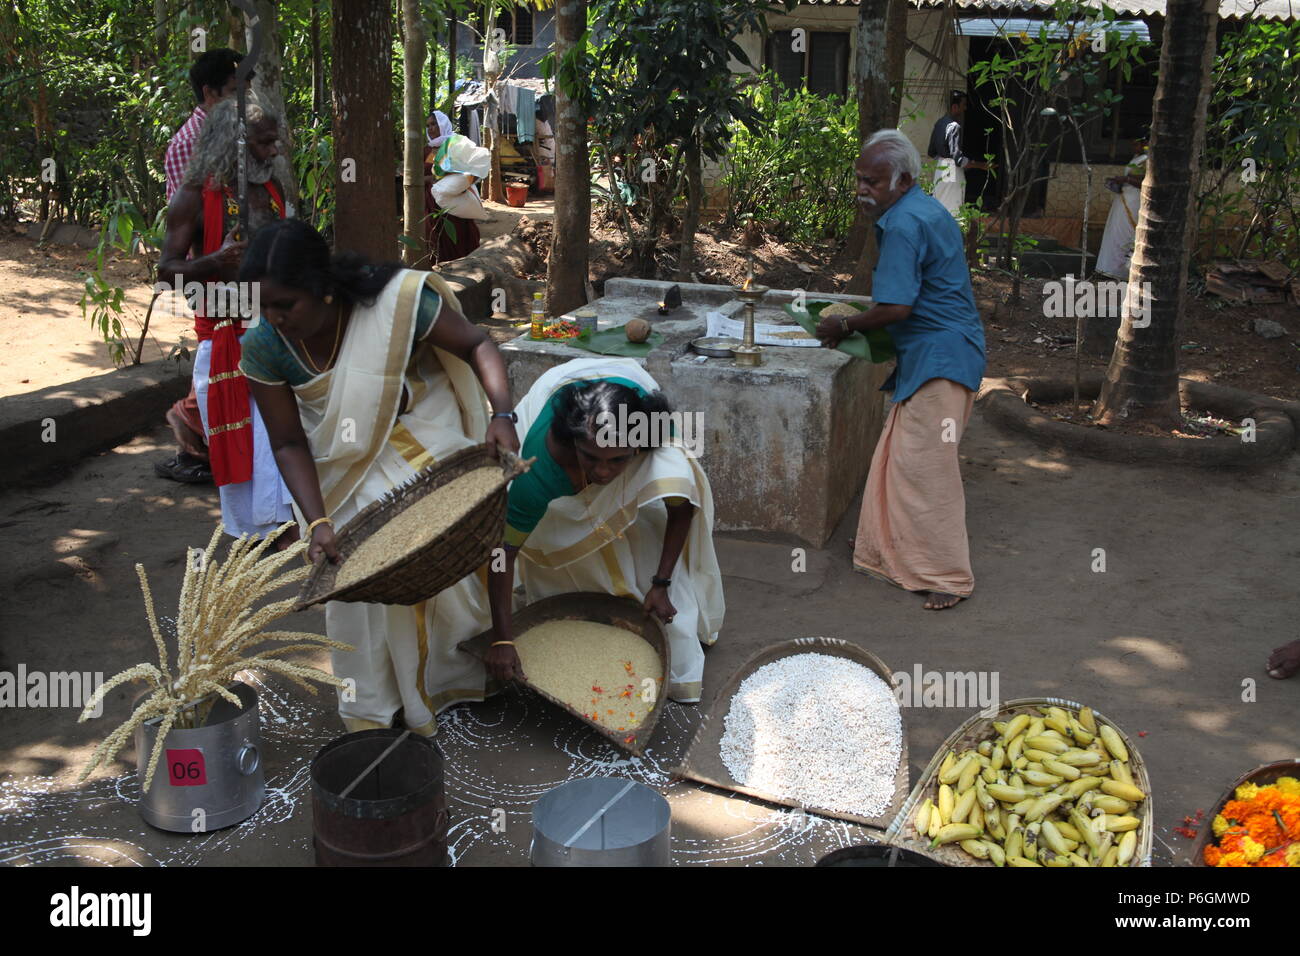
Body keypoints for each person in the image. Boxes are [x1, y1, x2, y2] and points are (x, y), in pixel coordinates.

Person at [238, 219, 520, 735]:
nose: (273, 319)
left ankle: (450, 680)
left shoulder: (393, 304)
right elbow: (287, 442)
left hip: (422, 438)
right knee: (358, 576)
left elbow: (478, 344)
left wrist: (502, 414)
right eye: (265, 307)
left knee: (444, 555)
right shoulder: (264, 346)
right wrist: (317, 519)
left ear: (323, 289)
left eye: (286, 305)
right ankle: (378, 702)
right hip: (339, 471)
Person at [482, 358, 724, 703]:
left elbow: (681, 507)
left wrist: (661, 583)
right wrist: (502, 639)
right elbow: (501, 554)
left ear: (638, 447)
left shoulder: (653, 430)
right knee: (560, 547)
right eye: (591, 458)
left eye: (617, 460)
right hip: (564, 402)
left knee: (648, 525)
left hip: (627, 394)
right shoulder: (536, 470)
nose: (604, 473)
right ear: (573, 443)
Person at [817, 130, 986, 611]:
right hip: (943, 353)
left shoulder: (906, 223)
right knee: (897, 460)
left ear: (904, 179)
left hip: (942, 358)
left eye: (872, 181)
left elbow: (895, 307)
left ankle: (948, 576)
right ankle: (884, 551)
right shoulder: (921, 209)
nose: (862, 190)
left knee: (927, 471)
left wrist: (844, 323)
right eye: (859, 180)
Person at [157, 96, 293, 541]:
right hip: (225, 336)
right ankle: (254, 536)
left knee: (284, 433)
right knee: (246, 441)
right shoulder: (195, 196)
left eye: (275, 142)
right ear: (233, 143)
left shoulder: (271, 189)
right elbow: (167, 273)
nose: (273, 151)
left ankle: (289, 526)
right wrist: (212, 260)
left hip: (278, 330)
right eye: (264, 142)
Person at [156, 48, 248, 485]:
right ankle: (192, 432)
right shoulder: (188, 143)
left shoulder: (240, 132)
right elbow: (187, 218)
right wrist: (211, 265)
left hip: (240, 271)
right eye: (234, 90)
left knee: (236, 359)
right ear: (211, 93)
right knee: (221, 357)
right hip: (211, 275)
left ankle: (206, 441)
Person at [926, 91, 992, 218]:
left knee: (941, 203)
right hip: (951, 169)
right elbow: (957, 159)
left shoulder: (939, 123)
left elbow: (931, 152)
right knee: (952, 208)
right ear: (955, 107)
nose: (965, 108)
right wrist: (979, 165)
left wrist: (944, 160)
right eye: (964, 105)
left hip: (941, 167)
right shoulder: (953, 126)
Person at [1095, 138, 1148, 280]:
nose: (1133, 147)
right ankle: (1107, 268)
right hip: (1124, 198)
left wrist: (1126, 180)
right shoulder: (1137, 158)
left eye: (1136, 144)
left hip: (1134, 201)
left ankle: (1121, 272)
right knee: (1115, 232)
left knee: (1126, 233)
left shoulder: (1147, 159)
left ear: (1144, 144)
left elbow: (1145, 183)